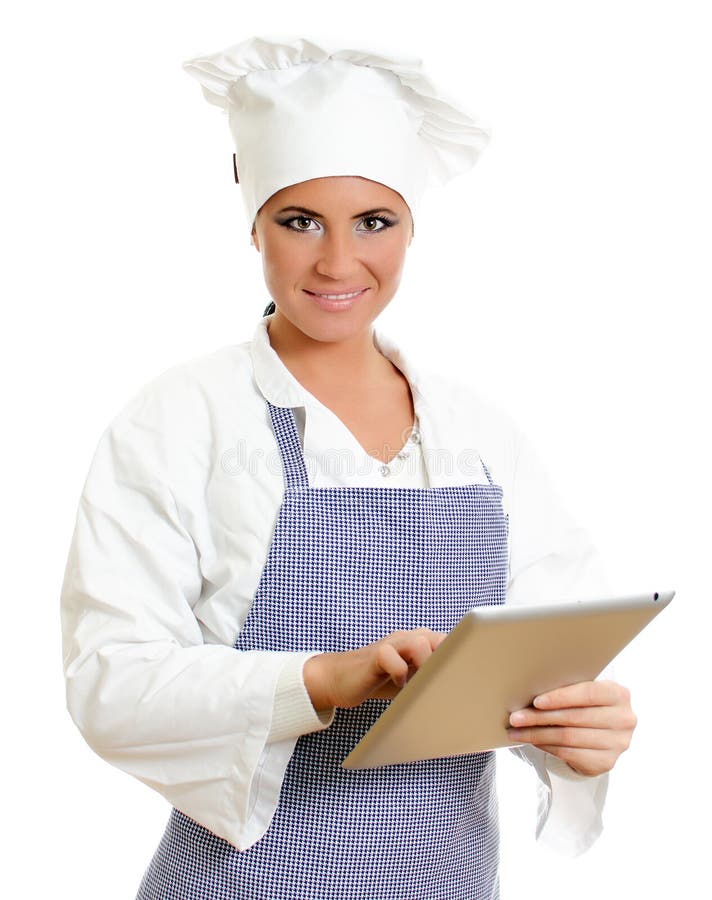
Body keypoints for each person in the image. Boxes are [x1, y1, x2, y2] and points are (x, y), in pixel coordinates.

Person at [60, 36, 637, 900]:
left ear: (410, 227)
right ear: (253, 220)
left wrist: (581, 730)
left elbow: (555, 656)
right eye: (300, 222)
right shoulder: (180, 419)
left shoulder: (478, 435)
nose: (337, 263)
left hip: (448, 880)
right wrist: (322, 679)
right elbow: (110, 682)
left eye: (374, 222)